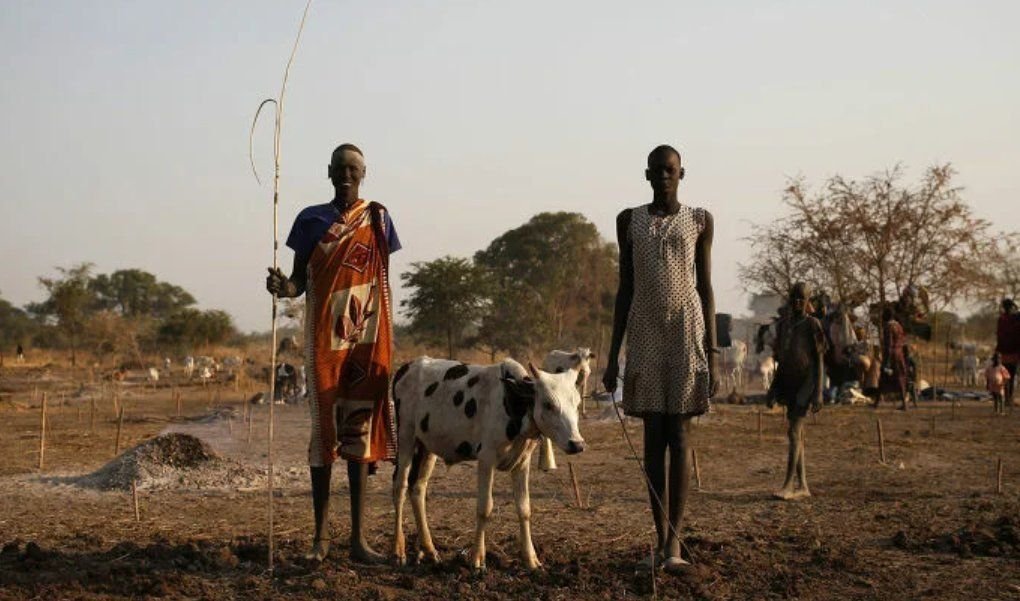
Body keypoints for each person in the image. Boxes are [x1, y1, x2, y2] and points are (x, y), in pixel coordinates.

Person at [266, 143, 401, 563]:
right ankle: (320, 540)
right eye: (339, 168)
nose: (346, 175)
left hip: (367, 339)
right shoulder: (309, 220)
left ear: (364, 173)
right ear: (327, 172)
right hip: (324, 341)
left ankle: (359, 541)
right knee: (324, 434)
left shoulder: (378, 218)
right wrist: (281, 288)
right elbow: (297, 283)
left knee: (359, 432)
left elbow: (381, 281)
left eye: (353, 169)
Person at [602, 145, 719, 572]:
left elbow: (706, 287)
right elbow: (624, 288)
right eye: (656, 171)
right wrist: (612, 356)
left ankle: (675, 540)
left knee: (680, 436)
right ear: (646, 175)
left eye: (670, 170)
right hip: (646, 331)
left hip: (687, 332)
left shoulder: (700, 221)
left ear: (682, 173)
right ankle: (659, 536)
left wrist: (713, 352)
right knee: (653, 439)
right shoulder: (628, 221)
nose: (663, 176)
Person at [767, 282, 825, 500]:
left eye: (802, 298)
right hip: (788, 384)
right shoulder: (784, 326)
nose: (798, 302)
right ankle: (803, 486)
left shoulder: (813, 325)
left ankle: (789, 485)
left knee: (794, 433)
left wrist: (818, 391)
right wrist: (773, 389)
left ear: (808, 300)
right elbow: (781, 361)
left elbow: (819, 360)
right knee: (796, 434)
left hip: (806, 385)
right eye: (794, 298)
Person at [877, 307, 909, 410]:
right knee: (900, 378)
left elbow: (889, 345)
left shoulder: (888, 327)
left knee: (883, 378)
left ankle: (877, 402)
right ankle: (904, 403)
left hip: (892, 356)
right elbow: (903, 341)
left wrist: (886, 361)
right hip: (900, 355)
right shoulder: (898, 326)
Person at [995, 298, 1020, 407]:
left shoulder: (1002, 319)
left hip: (1003, 352)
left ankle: (1007, 399)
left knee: (1006, 376)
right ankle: (1008, 399)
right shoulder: (1016, 319)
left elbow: (999, 336)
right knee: (1011, 376)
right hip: (1014, 352)